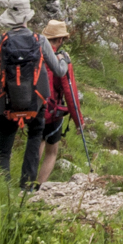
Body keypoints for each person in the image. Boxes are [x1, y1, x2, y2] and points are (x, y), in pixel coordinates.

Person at [0, 0, 69, 190]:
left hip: (7, 104)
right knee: (34, 140)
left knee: (3, 148)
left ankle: (3, 189)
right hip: (37, 103)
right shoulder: (39, 40)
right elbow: (58, 70)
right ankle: (27, 188)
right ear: (27, 17)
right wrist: (65, 60)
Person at [34, 19, 85, 185]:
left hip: (32, 108)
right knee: (52, 152)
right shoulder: (60, 59)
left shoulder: (34, 53)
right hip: (51, 111)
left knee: (37, 142)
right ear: (61, 39)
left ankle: (27, 184)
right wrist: (79, 122)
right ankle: (39, 186)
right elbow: (70, 92)